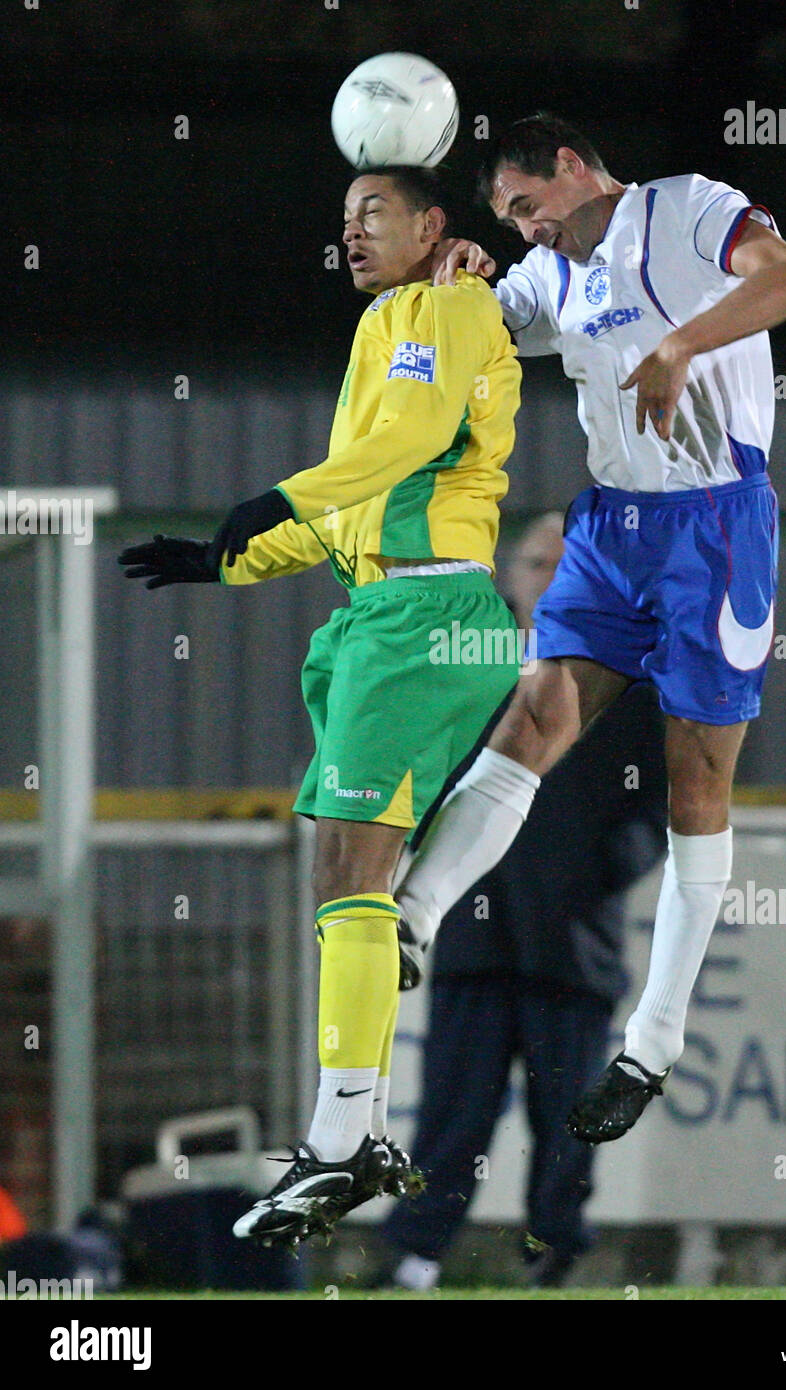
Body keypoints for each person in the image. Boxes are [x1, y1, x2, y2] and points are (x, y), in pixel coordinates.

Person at [393, 113, 786, 1145]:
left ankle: (654, 1043)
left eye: (526, 206)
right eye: (507, 217)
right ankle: (411, 915)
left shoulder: (686, 207)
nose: (526, 229)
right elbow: (481, 334)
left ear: (575, 168)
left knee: (695, 784)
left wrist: (680, 343)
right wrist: (448, 284)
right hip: (610, 524)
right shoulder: (551, 276)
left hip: (716, 523)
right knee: (533, 719)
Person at [119, 165, 523, 1245]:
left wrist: (277, 498)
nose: (349, 232)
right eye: (341, 216)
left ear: (435, 225)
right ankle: (366, 1126)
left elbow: (406, 442)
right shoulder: (400, 314)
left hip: (422, 619)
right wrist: (228, 559)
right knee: (352, 877)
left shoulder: (444, 302)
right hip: (387, 612)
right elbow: (363, 503)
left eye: (373, 213)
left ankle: (338, 1142)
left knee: (349, 869)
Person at [376, 513, 667, 1290]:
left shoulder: (631, 678)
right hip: (475, 938)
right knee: (452, 1112)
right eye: (539, 562)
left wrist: (593, 873)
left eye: (566, 564)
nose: (549, 576)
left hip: (573, 945)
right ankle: (416, 1254)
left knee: (568, 1118)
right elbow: (423, 770)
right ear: (507, 573)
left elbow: (662, 804)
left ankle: (555, 1251)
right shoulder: (466, 666)